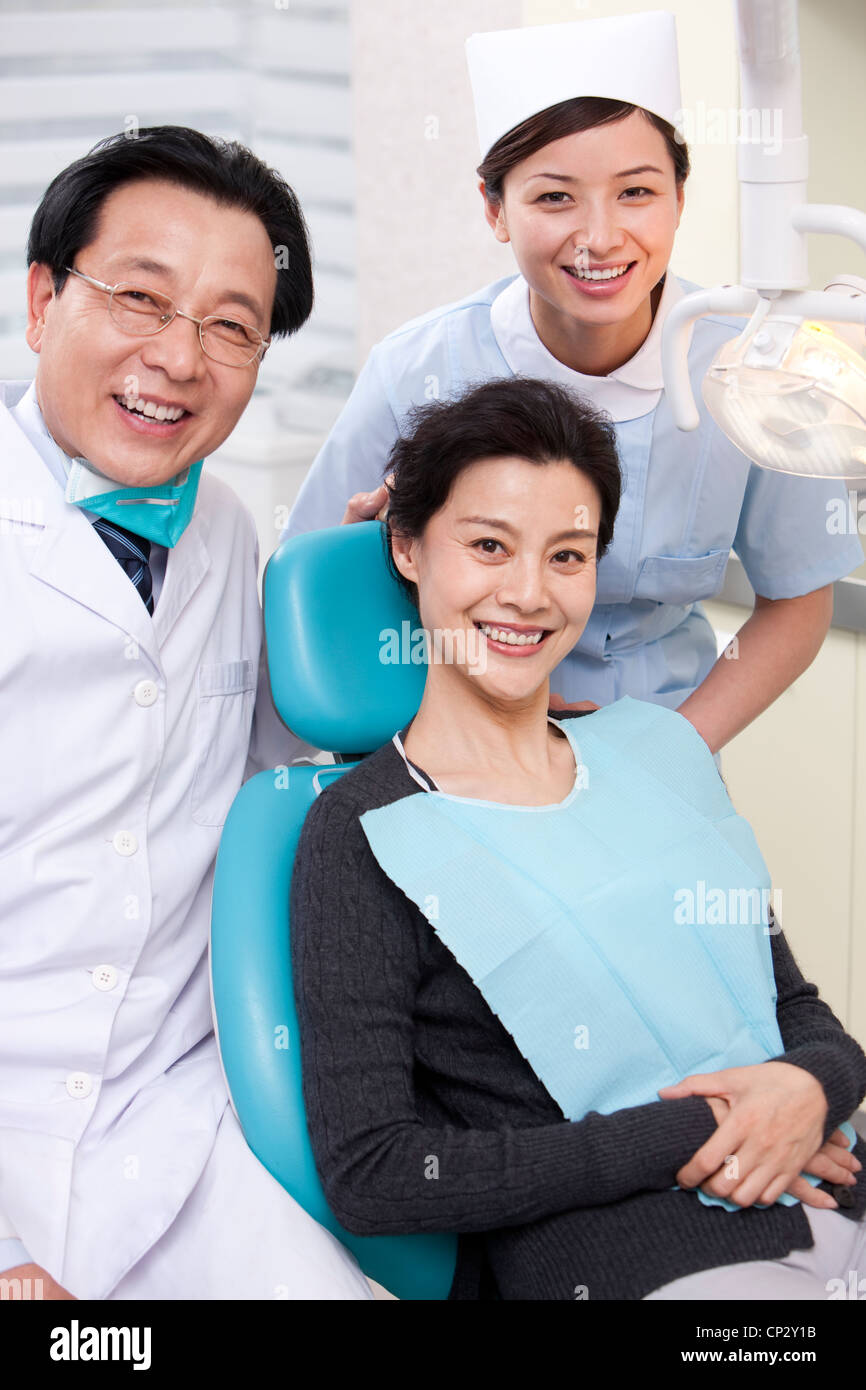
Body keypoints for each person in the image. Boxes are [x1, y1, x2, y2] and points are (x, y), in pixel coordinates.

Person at [290, 376, 866, 1301]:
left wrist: (811, 1090)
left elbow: (796, 1007)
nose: (527, 594)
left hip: (827, 1189)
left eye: (567, 555)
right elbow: (376, 1171)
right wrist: (709, 1125)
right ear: (407, 546)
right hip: (638, 1262)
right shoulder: (363, 833)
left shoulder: (656, 755)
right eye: (488, 546)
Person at [0, 126, 372, 1300]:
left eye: (229, 325)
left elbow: (279, 793)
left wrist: (417, 599)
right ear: (43, 301)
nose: (177, 357)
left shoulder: (225, 534)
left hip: (172, 1119)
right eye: (140, 299)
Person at [282, 12, 864, 755]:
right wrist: (485, 693)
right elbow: (312, 599)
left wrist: (670, 752)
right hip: (452, 747)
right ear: (495, 209)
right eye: (555, 198)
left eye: (636, 192)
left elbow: (798, 597)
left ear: (680, 197)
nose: (600, 238)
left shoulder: (749, 367)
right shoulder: (417, 370)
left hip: (666, 743)